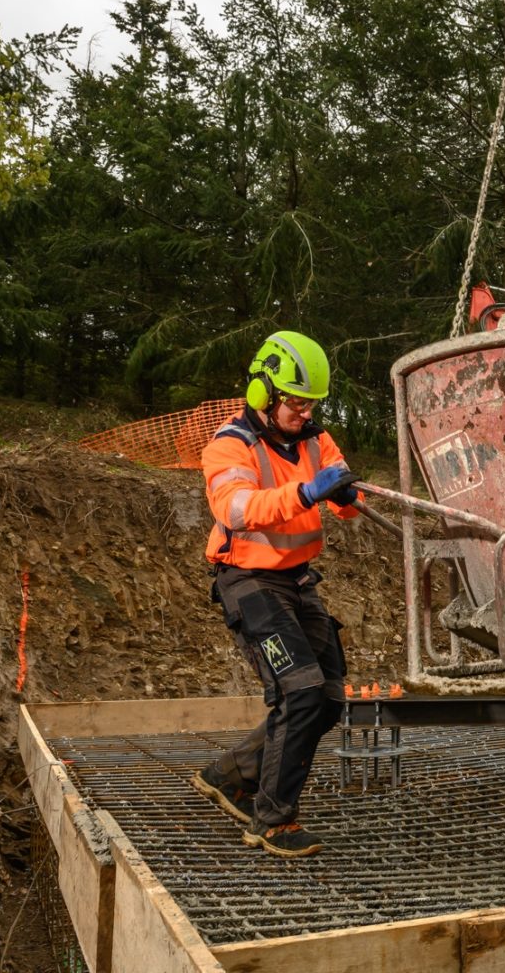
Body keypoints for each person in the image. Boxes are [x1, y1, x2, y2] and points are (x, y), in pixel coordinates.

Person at [192, 330, 362, 857]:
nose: (302, 411)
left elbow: (344, 503)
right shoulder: (230, 444)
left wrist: (347, 496)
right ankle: (272, 820)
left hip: (297, 580)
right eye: (293, 400)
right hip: (249, 581)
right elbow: (237, 509)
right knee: (300, 692)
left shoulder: (315, 439)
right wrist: (306, 491)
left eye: (310, 402)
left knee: (330, 698)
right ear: (264, 391)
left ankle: (231, 775)